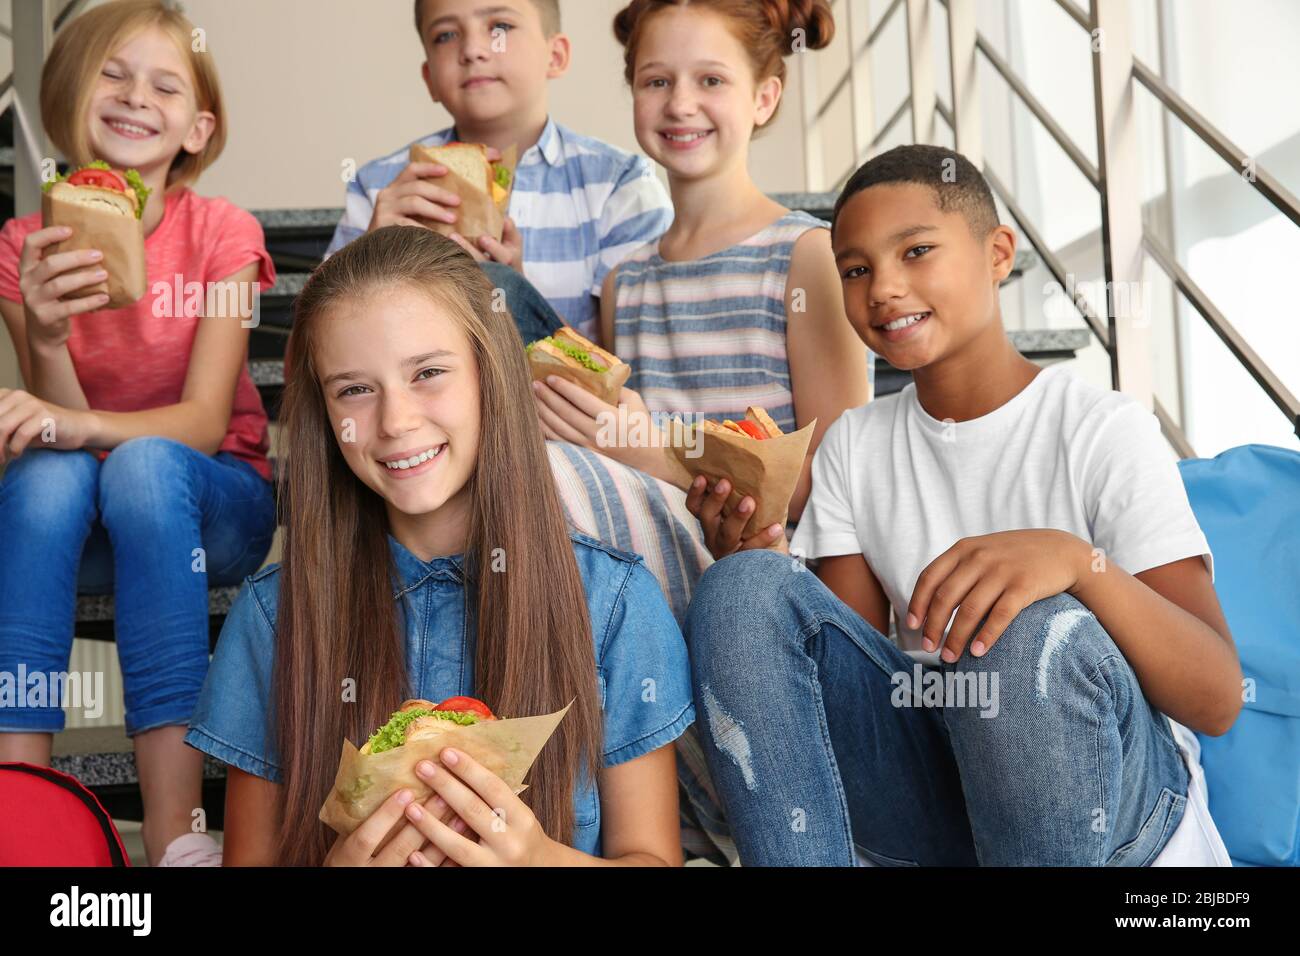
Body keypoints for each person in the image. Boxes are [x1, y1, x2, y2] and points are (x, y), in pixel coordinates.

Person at [684, 144, 1241, 866]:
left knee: (1023, 632)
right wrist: (761, 569)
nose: (883, 287)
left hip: (1115, 804)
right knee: (742, 590)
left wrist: (1076, 564)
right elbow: (849, 672)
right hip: (943, 796)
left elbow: (1218, 697)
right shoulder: (856, 443)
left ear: (998, 254)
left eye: (916, 251)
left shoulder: (1102, 428)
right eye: (856, 270)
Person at [185, 226, 694, 866]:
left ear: (491, 376)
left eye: (427, 373)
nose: (396, 421)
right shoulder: (272, 618)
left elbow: (653, 857)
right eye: (355, 389)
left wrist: (538, 859)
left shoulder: (615, 604)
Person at [0, 0, 277, 868]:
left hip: (213, 501)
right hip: (83, 518)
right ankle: (24, 819)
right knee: (44, 480)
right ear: (70, 93)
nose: (134, 97)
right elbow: (56, 441)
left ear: (198, 127)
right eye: (112, 73)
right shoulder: (22, 243)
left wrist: (72, 423)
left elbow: (199, 423)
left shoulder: (224, 235)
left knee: (147, 468)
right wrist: (45, 339)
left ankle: (176, 835)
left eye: (165, 84)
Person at [532, 0, 870, 557]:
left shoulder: (805, 258)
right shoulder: (625, 283)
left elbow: (838, 485)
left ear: (764, 98)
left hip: (765, 581)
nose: (680, 104)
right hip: (648, 564)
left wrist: (656, 456)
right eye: (656, 81)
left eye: (711, 79)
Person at [326, 0, 673, 343]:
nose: (473, 50)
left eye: (500, 28)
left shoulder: (620, 184)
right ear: (429, 77)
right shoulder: (377, 188)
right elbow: (307, 362)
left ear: (555, 56)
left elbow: (631, 371)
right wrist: (368, 259)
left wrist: (516, 295)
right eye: (446, 35)